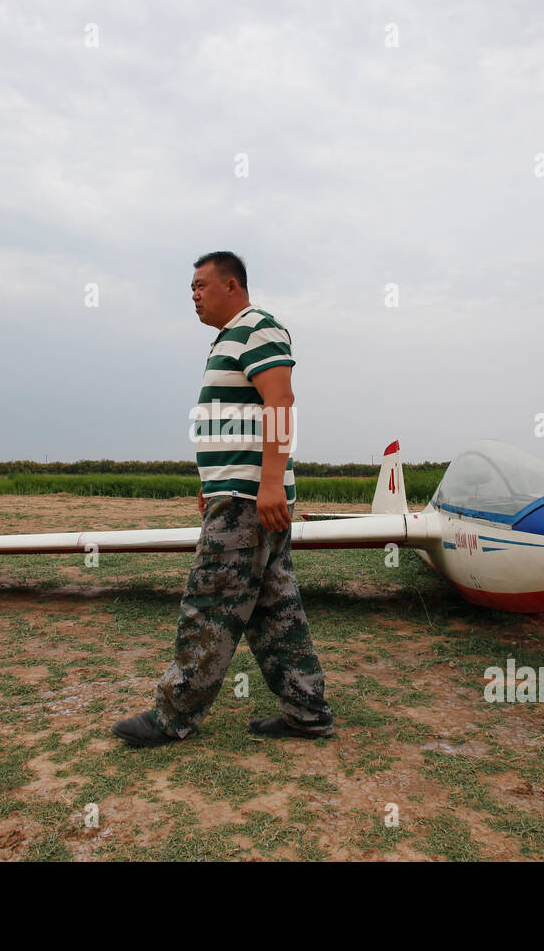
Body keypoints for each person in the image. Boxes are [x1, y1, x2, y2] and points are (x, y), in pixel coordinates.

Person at [111, 251, 335, 746]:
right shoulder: (227, 340)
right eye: (190, 289)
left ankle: (172, 717)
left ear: (231, 286)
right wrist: (209, 480)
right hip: (235, 493)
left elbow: (280, 403)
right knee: (274, 611)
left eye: (200, 286)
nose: (193, 296)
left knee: (209, 605)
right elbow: (236, 419)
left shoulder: (257, 328)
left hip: (248, 501)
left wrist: (269, 483)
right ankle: (307, 712)